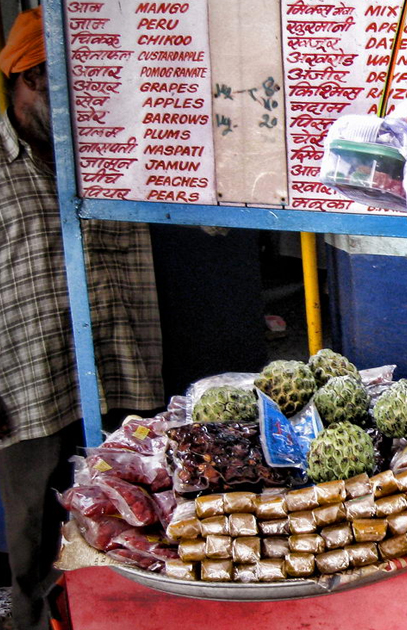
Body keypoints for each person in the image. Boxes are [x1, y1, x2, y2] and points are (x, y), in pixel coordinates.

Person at [0, 9, 163, 629]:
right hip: (27, 384)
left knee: (128, 514)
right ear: (31, 81)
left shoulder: (110, 156)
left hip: (119, 367)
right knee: (34, 535)